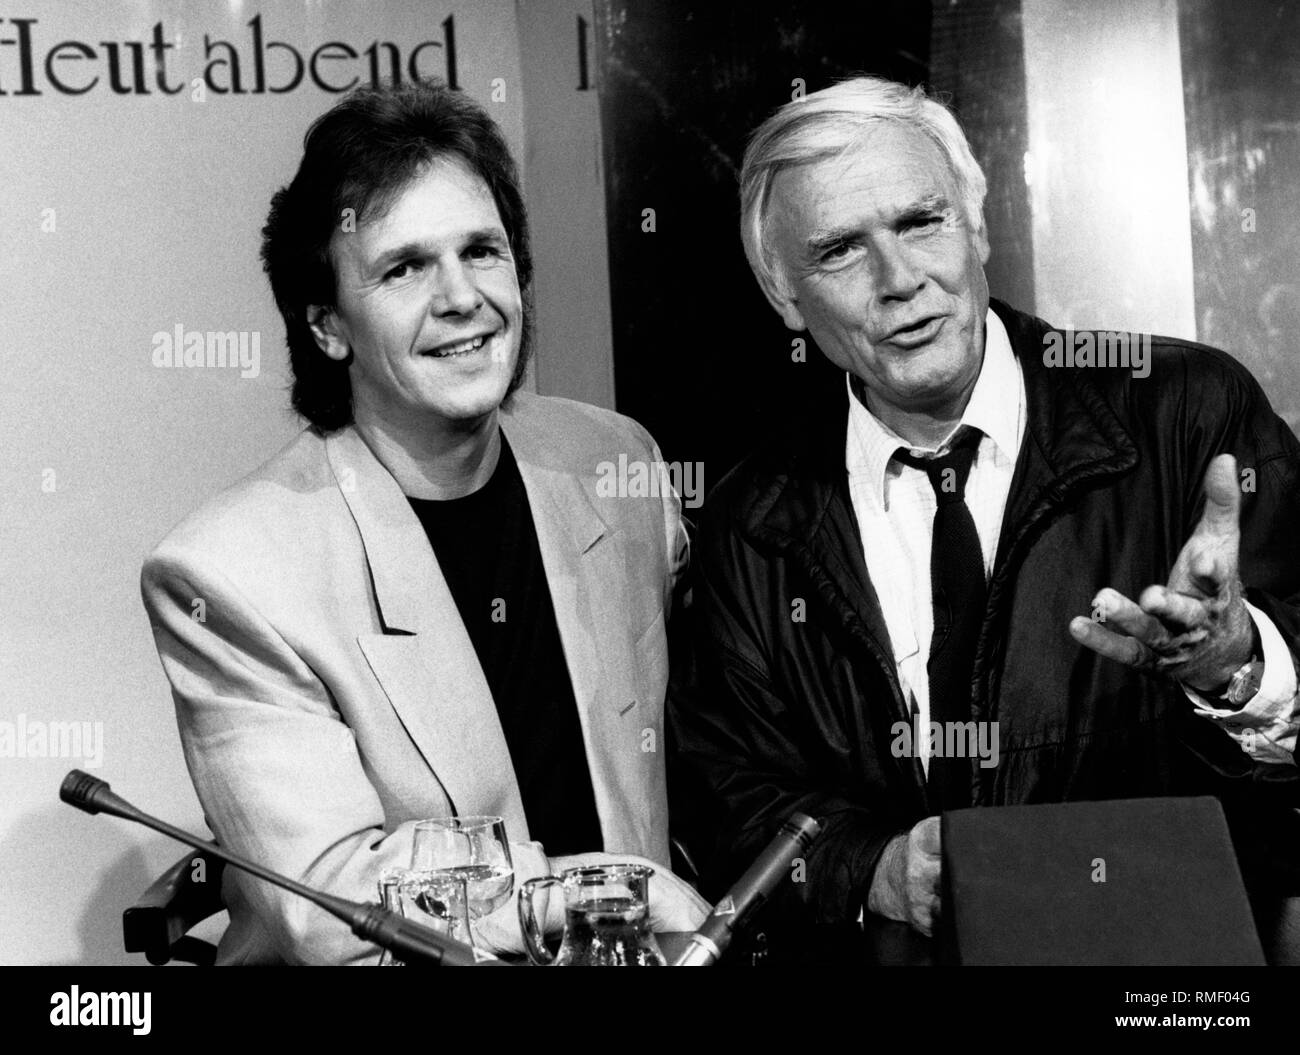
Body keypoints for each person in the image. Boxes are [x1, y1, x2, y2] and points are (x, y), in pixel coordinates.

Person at [671, 76, 1300, 940]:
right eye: (840, 251)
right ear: (785, 296)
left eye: (921, 222)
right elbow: (729, 796)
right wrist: (874, 868)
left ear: (977, 226)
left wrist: (1238, 661)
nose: (900, 280)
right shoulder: (752, 519)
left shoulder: (1186, 412)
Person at [141, 81, 706, 964]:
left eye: (481, 252)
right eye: (403, 268)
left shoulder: (615, 464)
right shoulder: (228, 570)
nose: (461, 298)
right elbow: (326, 899)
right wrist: (595, 892)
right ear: (327, 324)